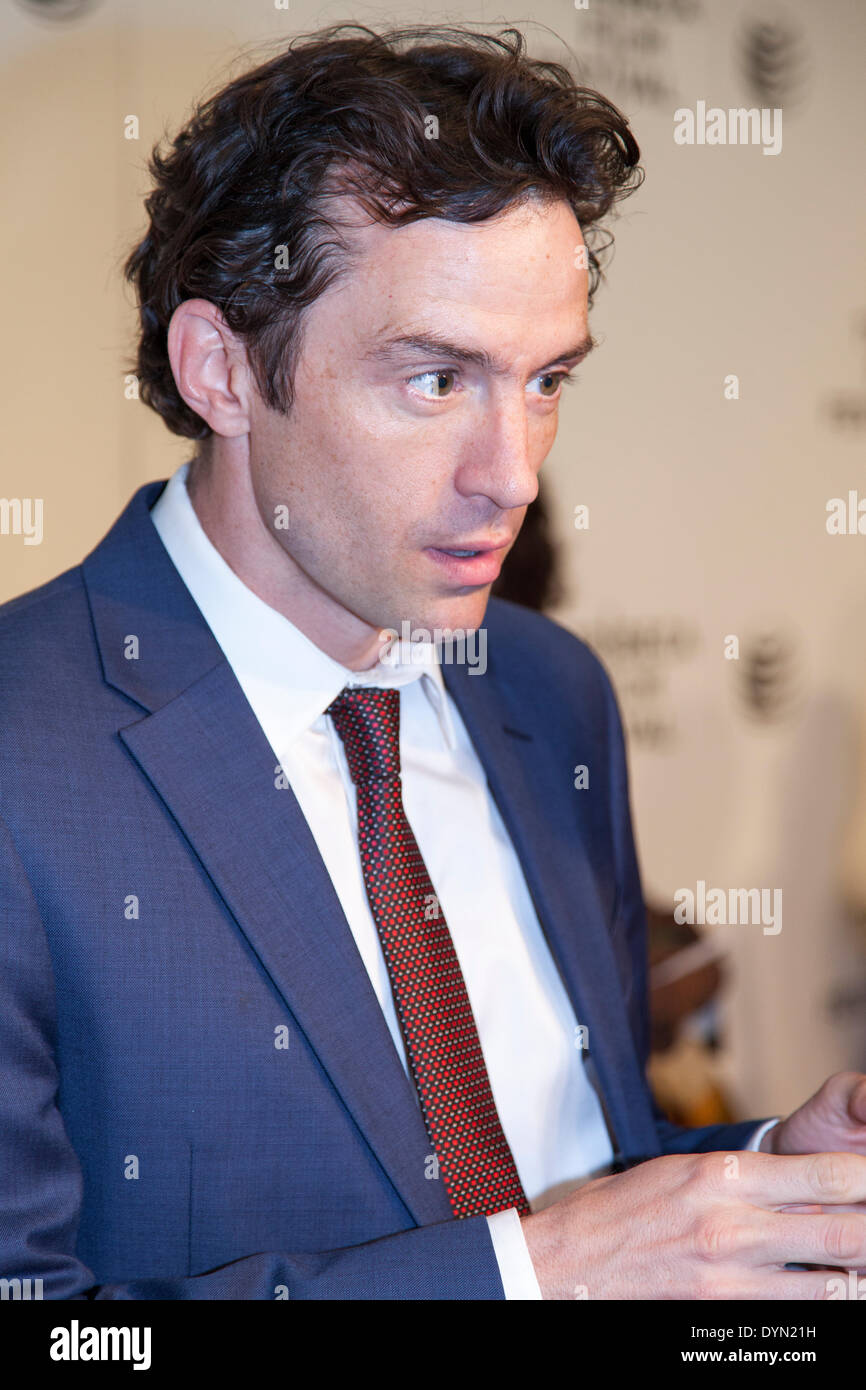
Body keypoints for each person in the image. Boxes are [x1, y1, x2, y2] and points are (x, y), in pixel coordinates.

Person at [1, 22, 864, 1302]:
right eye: (433, 379)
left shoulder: (547, 691)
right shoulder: (27, 756)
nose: (513, 473)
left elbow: (573, 1168)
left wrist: (758, 1177)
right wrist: (529, 1274)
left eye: (546, 379)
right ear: (222, 369)